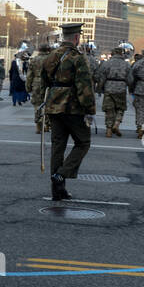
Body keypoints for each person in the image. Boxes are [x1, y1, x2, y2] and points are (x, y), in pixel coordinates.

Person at [41, 23, 95, 201]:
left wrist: (45, 102)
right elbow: (84, 86)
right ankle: (62, 175)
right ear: (77, 38)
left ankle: (57, 191)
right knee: (83, 142)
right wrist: (89, 109)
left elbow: (44, 81)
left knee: (58, 147)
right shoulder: (78, 58)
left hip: (54, 105)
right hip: (73, 107)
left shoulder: (50, 56)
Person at [95, 46, 130, 137]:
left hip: (109, 87)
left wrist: (99, 88)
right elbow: (130, 78)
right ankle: (116, 124)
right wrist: (130, 87)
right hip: (121, 87)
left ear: (113, 53)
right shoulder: (126, 64)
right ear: (121, 54)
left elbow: (101, 77)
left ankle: (109, 130)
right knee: (120, 108)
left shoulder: (107, 63)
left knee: (109, 109)